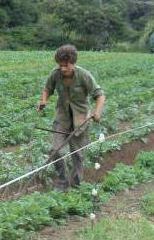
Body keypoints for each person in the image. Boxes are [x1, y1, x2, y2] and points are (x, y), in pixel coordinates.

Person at [38, 44, 106, 190]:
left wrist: (97, 113)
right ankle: (62, 181)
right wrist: (44, 100)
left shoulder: (84, 75)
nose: (62, 68)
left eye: (66, 65)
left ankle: (76, 185)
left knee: (78, 154)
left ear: (73, 63)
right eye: (60, 65)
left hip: (80, 119)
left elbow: (99, 95)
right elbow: (47, 89)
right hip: (62, 117)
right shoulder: (55, 74)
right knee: (56, 150)